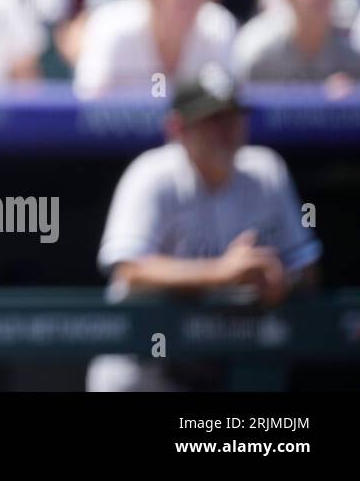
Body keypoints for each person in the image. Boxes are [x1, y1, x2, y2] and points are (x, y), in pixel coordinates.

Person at [87, 66, 321, 391]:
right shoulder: (151, 176)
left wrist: (283, 281)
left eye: (233, 117)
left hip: (230, 361)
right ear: (178, 129)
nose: (226, 131)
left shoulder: (267, 171)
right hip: (146, 363)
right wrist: (222, 272)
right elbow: (131, 270)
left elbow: (306, 271)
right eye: (212, 120)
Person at [75, 0, 236, 98]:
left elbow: (229, 101)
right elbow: (88, 101)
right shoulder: (112, 27)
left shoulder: (217, 27)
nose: (193, 4)